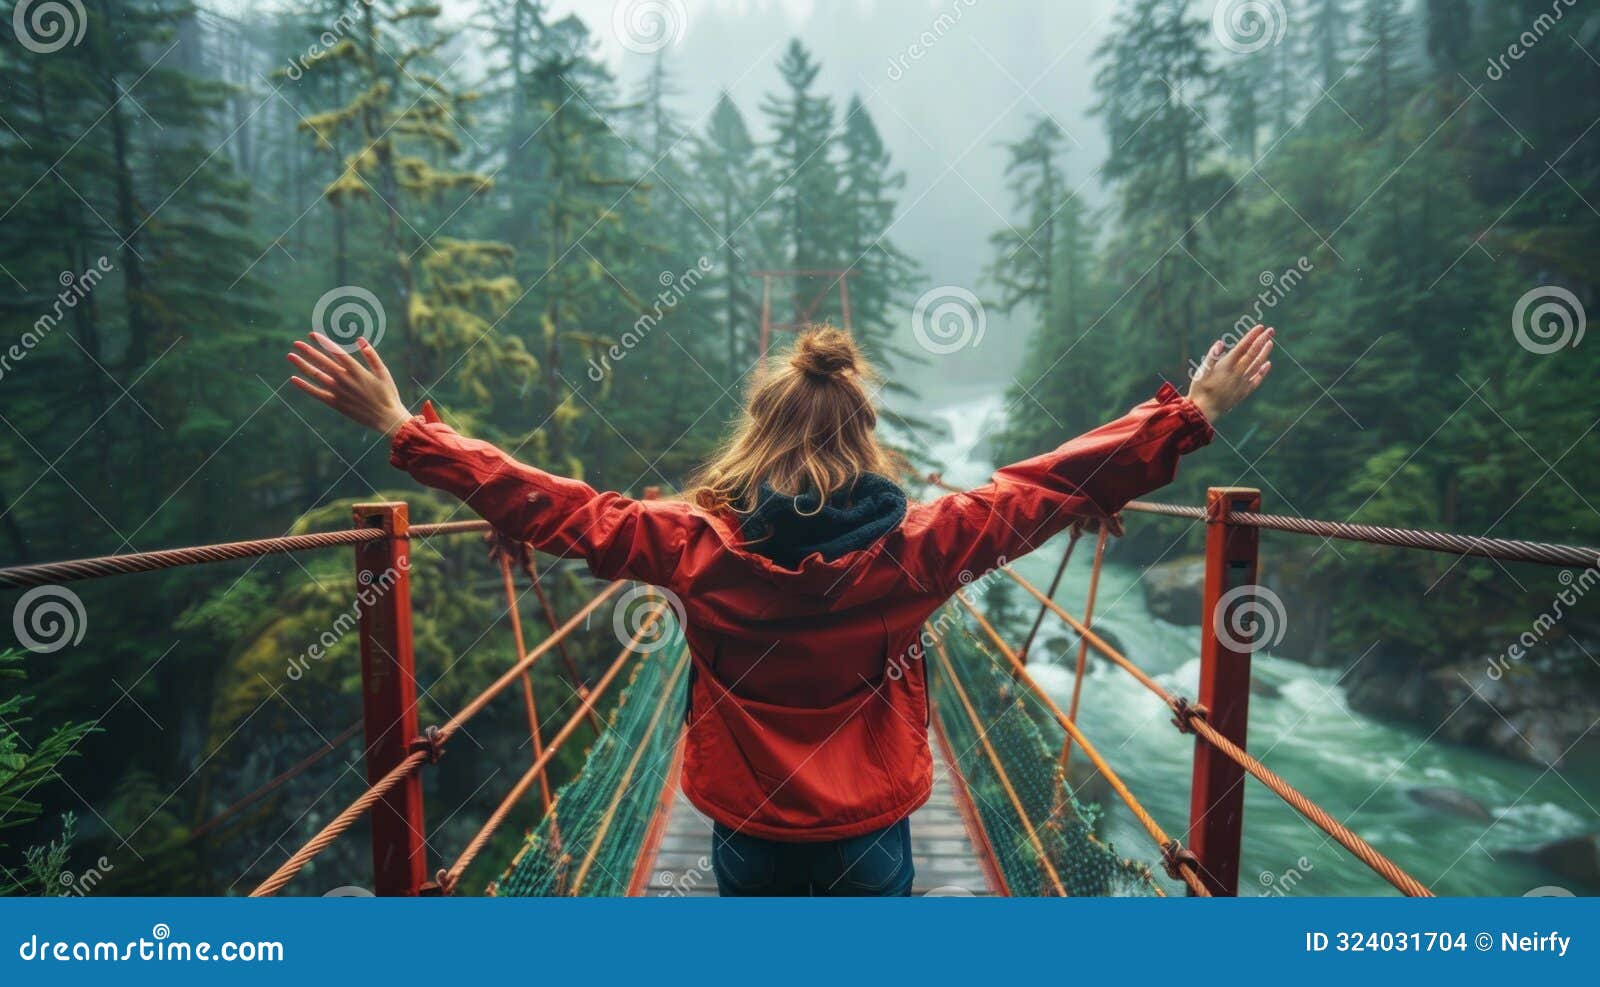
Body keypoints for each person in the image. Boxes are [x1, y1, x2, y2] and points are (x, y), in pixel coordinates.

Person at [288, 322, 1273, 896]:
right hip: (871, 822)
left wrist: (404, 430)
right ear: (867, 437)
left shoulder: (691, 547)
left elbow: (563, 511)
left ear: (755, 434)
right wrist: (1189, 417)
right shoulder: (925, 547)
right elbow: (1044, 490)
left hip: (748, 822)